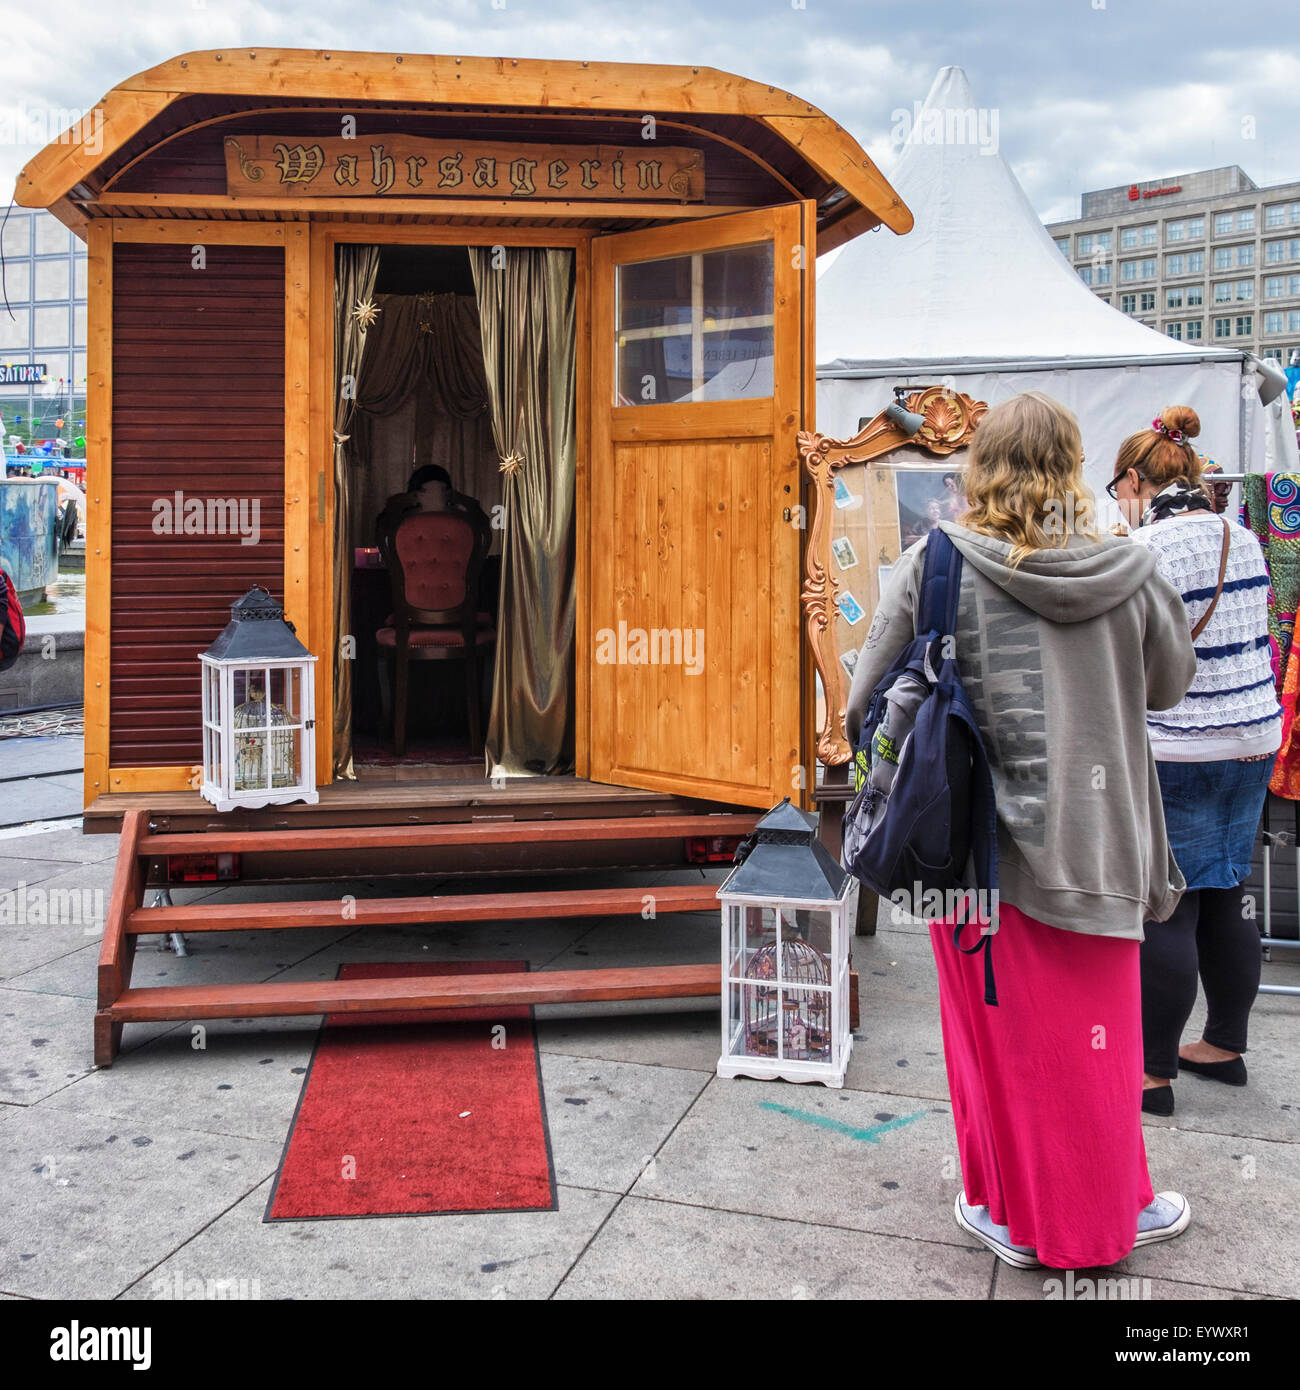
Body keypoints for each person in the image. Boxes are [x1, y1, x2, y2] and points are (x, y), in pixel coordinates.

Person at [846, 391, 1197, 1270]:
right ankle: (1112, 1201)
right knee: (1097, 1041)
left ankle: (1012, 1208)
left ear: (981, 465)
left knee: (995, 1040)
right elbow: (1168, 685)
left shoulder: (937, 563)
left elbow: (866, 698)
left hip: (964, 847)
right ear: (1074, 465)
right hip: (1101, 839)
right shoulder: (1132, 568)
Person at [1110, 407, 1280, 1116]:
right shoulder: (1242, 536)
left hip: (1177, 744)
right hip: (1253, 739)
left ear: (1134, 481)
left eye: (1117, 487)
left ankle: (1152, 1075)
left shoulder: (1141, 549)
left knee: (1167, 904)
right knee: (1229, 887)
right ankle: (1226, 1046)